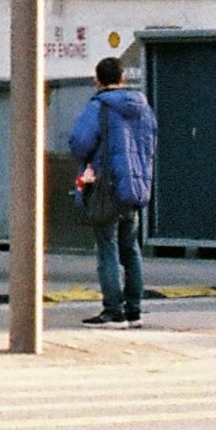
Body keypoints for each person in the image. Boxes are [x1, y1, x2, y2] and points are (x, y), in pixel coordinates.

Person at [68, 54, 157, 328]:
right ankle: (134, 310)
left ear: (97, 81)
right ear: (122, 78)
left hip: (107, 188)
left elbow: (79, 144)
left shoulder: (99, 107)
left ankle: (113, 311)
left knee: (107, 248)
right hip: (134, 186)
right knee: (131, 248)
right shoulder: (143, 107)